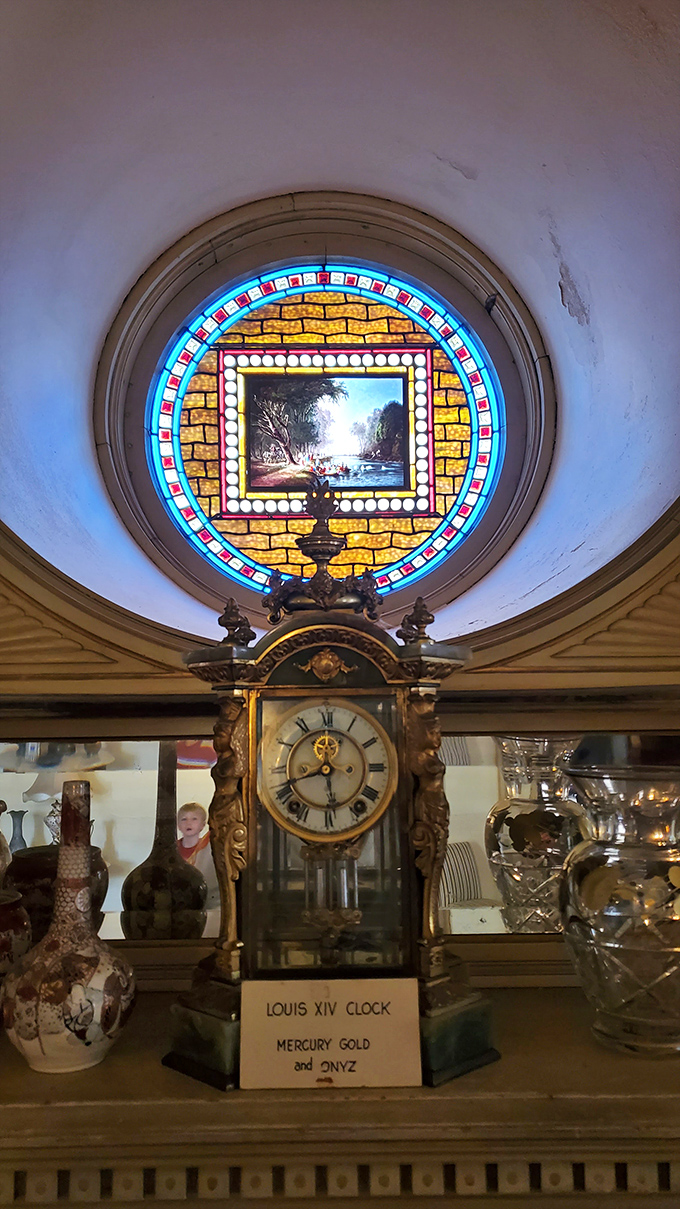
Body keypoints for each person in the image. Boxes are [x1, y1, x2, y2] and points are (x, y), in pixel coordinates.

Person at [176, 802, 220, 910]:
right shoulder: (172, 849)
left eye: (194, 819)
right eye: (184, 819)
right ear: (178, 825)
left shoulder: (208, 849)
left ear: (203, 825)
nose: (188, 823)